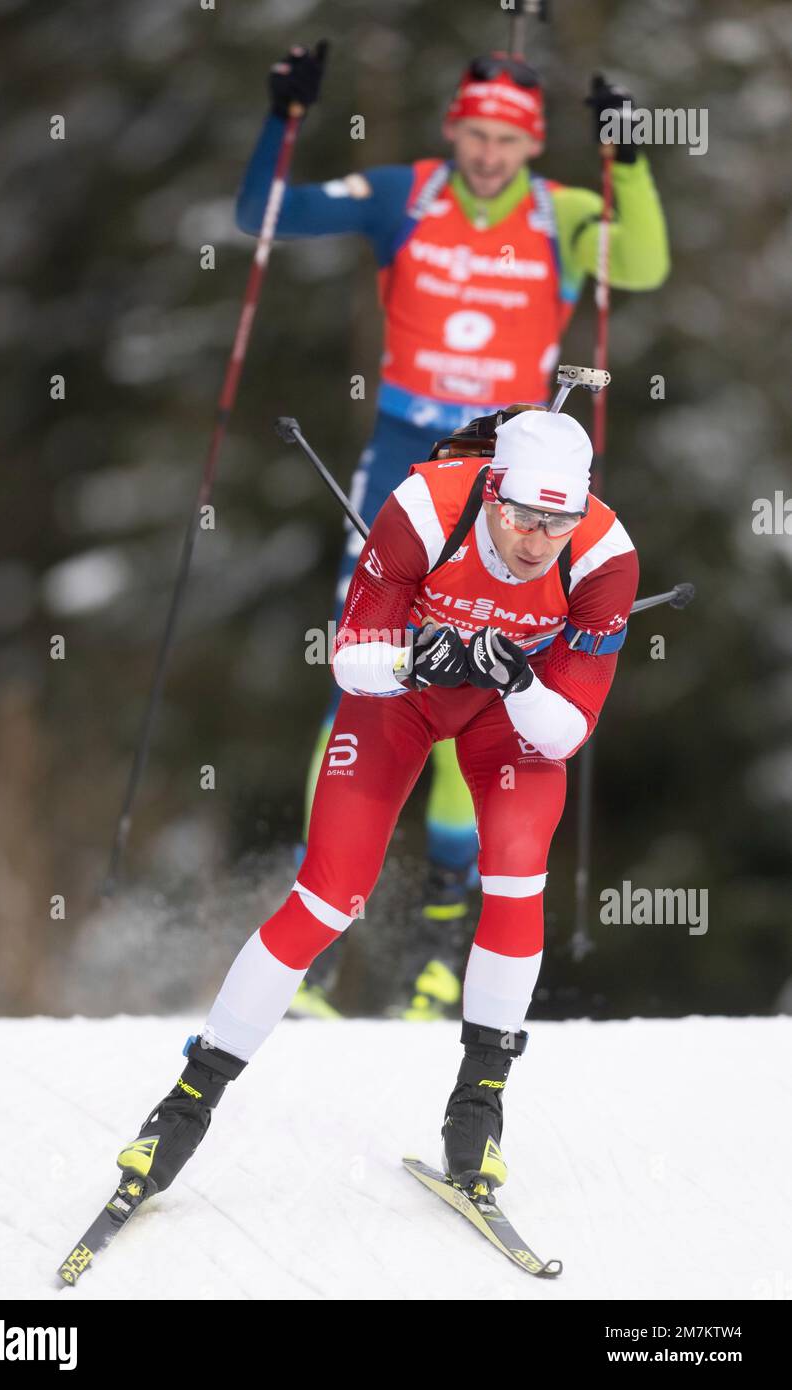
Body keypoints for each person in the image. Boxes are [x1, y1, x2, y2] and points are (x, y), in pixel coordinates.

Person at [237, 44, 667, 1017]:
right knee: (368, 668)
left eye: (506, 138)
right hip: (402, 464)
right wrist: (283, 118)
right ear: (450, 128)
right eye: (474, 133)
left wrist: (627, 158)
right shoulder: (403, 193)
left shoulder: (555, 212)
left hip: (512, 489)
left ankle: (438, 934)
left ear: (531, 142)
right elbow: (261, 216)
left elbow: (638, 261)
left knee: (486, 680)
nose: (486, 154)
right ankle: (319, 923)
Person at [116, 407, 639, 1202]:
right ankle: (186, 1104)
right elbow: (352, 662)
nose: (539, 540)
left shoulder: (604, 557)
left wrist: (518, 676)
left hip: (510, 716)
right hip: (403, 699)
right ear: (493, 493)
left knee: (516, 878)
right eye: (525, 516)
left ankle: (478, 1111)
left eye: (558, 520)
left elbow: (566, 730)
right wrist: (415, 655)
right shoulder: (426, 507)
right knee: (329, 895)